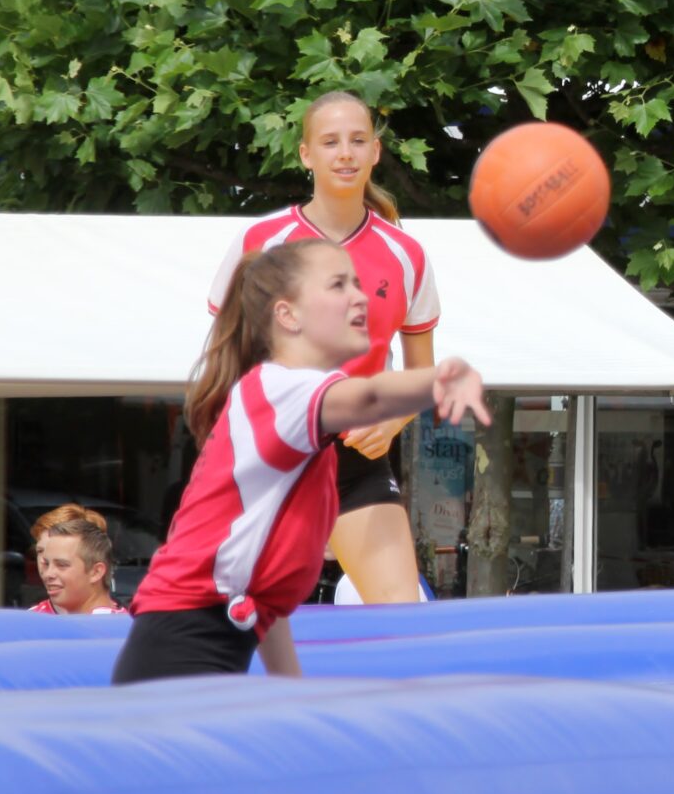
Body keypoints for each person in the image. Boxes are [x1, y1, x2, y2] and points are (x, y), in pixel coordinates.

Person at [115, 238, 488, 684]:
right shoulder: (280, 389)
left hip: (201, 636)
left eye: (356, 281)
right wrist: (441, 378)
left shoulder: (310, 447)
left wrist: (289, 686)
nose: (360, 295)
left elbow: (264, 597)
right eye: (337, 285)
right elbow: (367, 397)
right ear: (287, 315)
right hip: (179, 637)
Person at [209, 91, 440, 605]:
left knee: (402, 621)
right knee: (239, 625)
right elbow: (224, 360)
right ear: (306, 154)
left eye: (358, 141)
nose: (345, 153)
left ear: (376, 152)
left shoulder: (406, 255)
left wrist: (393, 420)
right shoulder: (263, 242)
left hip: (354, 462)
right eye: (330, 142)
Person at [27, 508, 126, 615]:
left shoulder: (125, 626)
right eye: (40, 551)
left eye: (61, 564)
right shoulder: (30, 618)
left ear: (96, 571)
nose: (48, 573)